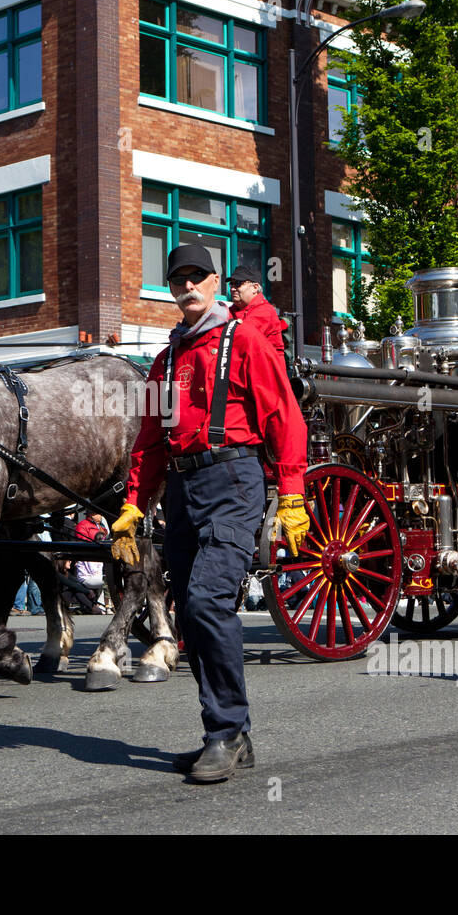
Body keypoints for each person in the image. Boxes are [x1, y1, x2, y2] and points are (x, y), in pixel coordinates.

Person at [111, 244, 308, 782]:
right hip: (181, 488)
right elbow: (150, 442)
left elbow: (285, 417)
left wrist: (291, 492)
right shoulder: (165, 358)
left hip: (234, 481)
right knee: (192, 619)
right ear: (171, 290)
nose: (188, 287)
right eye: (179, 281)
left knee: (206, 601)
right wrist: (133, 503)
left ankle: (224, 733)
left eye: (197, 278)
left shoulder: (244, 340)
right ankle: (228, 735)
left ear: (217, 283)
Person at [226, 265, 287, 357]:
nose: (232, 288)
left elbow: (241, 336)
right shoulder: (232, 310)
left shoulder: (265, 311)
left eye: (238, 283)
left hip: (264, 369)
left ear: (255, 287)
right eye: (232, 284)